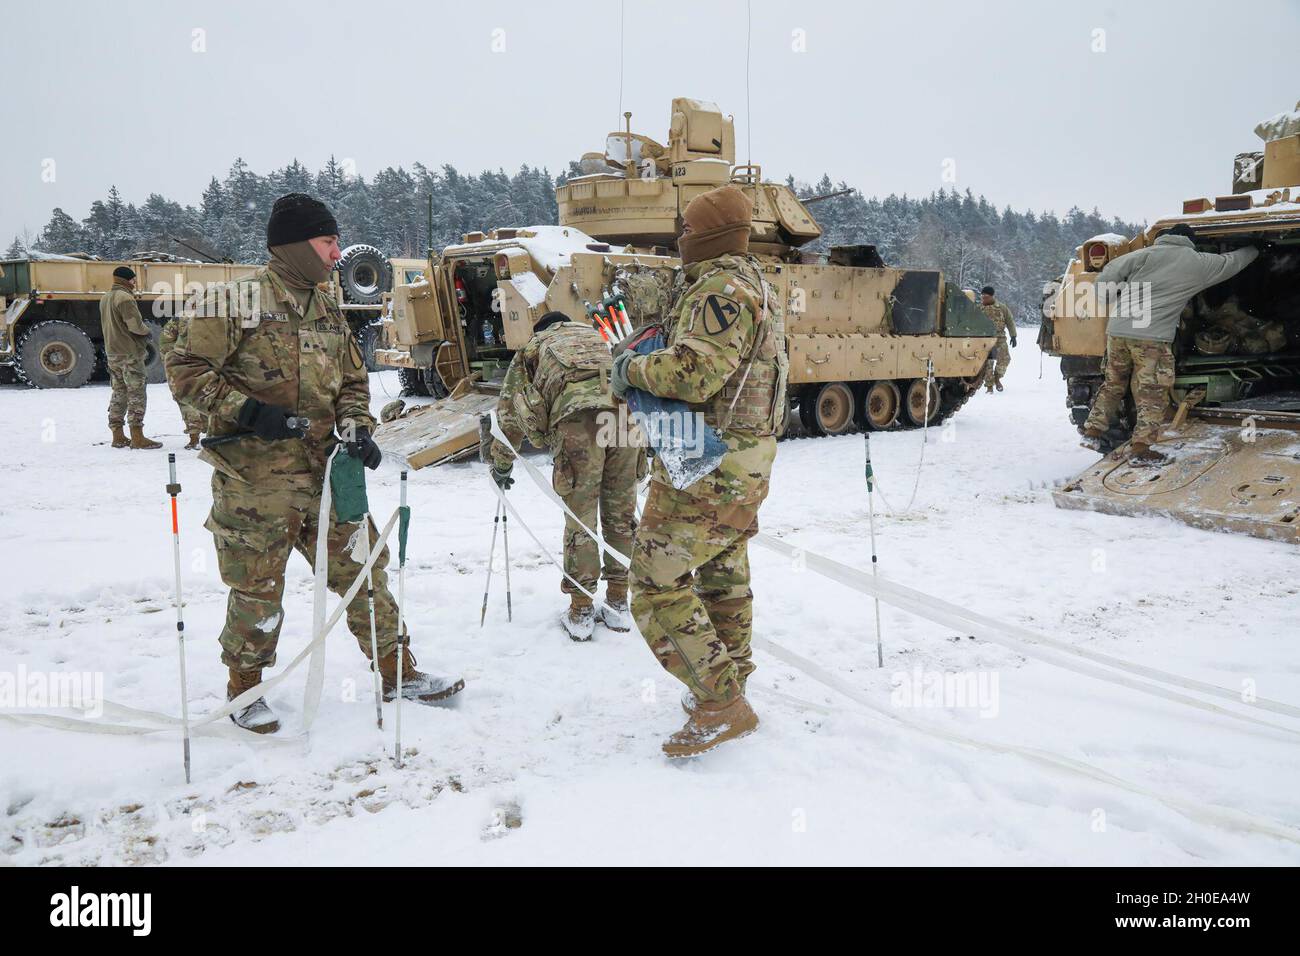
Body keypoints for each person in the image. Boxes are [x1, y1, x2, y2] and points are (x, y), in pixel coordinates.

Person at [166, 193, 463, 734]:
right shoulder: (234, 300)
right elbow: (184, 371)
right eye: (328, 242)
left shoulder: (327, 307)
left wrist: (356, 427)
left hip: (328, 474)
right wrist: (249, 412)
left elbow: (352, 381)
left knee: (364, 571)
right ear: (297, 245)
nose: (337, 253)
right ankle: (245, 691)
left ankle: (399, 670)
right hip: (257, 480)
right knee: (258, 587)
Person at [612, 184, 788, 758]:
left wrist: (633, 369)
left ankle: (721, 701)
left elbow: (695, 375)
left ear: (708, 236)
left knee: (654, 582)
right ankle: (729, 678)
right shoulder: (755, 281)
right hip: (743, 459)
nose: (680, 239)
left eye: (687, 230)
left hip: (707, 461)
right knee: (721, 572)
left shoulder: (719, 288)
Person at [490, 310, 641, 640]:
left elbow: (510, 411)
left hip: (578, 422)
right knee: (620, 515)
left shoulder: (535, 346)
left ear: (541, 329)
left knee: (581, 518)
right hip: (624, 418)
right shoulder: (595, 337)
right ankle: (618, 604)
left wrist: (501, 465)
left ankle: (581, 610)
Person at [1081, 224, 1259, 464]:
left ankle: (1093, 432)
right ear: (1189, 240)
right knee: (1151, 393)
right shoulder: (1198, 262)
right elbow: (1232, 262)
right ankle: (1141, 449)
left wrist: (1114, 296)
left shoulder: (1142, 255)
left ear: (1164, 238)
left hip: (1117, 332)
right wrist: (1256, 248)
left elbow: (1108, 273)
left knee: (1113, 383)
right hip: (1151, 339)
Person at [99, 266, 162, 449]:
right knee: (136, 394)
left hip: (113, 353)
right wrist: (148, 333)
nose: (135, 284)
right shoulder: (125, 298)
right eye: (134, 280)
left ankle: (117, 435)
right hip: (129, 354)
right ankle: (137, 436)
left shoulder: (105, 298)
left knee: (119, 393)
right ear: (128, 280)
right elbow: (134, 325)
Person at [159, 317, 204, 449]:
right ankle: (212, 434)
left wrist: (171, 361)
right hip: (207, 363)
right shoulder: (219, 316)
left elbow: (165, 339)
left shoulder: (181, 317)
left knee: (186, 398)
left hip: (182, 364)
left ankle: (194, 437)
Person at [978, 285, 1016, 393]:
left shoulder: (1002, 308)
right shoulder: (979, 308)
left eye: (986, 296)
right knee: (988, 362)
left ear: (992, 296)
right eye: (982, 296)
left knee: (1005, 359)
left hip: (999, 338)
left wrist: (1013, 336)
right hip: (985, 339)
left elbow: (1010, 322)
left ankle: (997, 378)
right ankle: (989, 386)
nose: (984, 298)